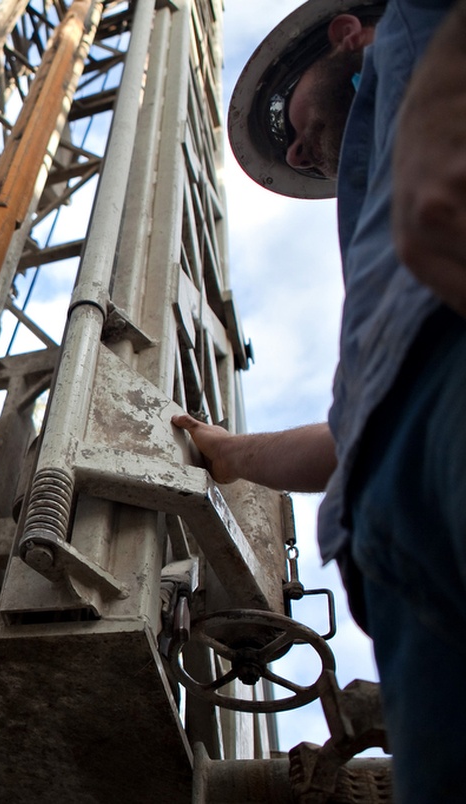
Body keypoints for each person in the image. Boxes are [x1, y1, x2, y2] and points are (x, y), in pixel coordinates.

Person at [175, 1, 466, 799]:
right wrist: (234, 456)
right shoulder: (374, 220)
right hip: (399, 571)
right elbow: (355, 434)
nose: (298, 147)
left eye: (289, 119)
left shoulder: (418, 40)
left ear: (342, 34)